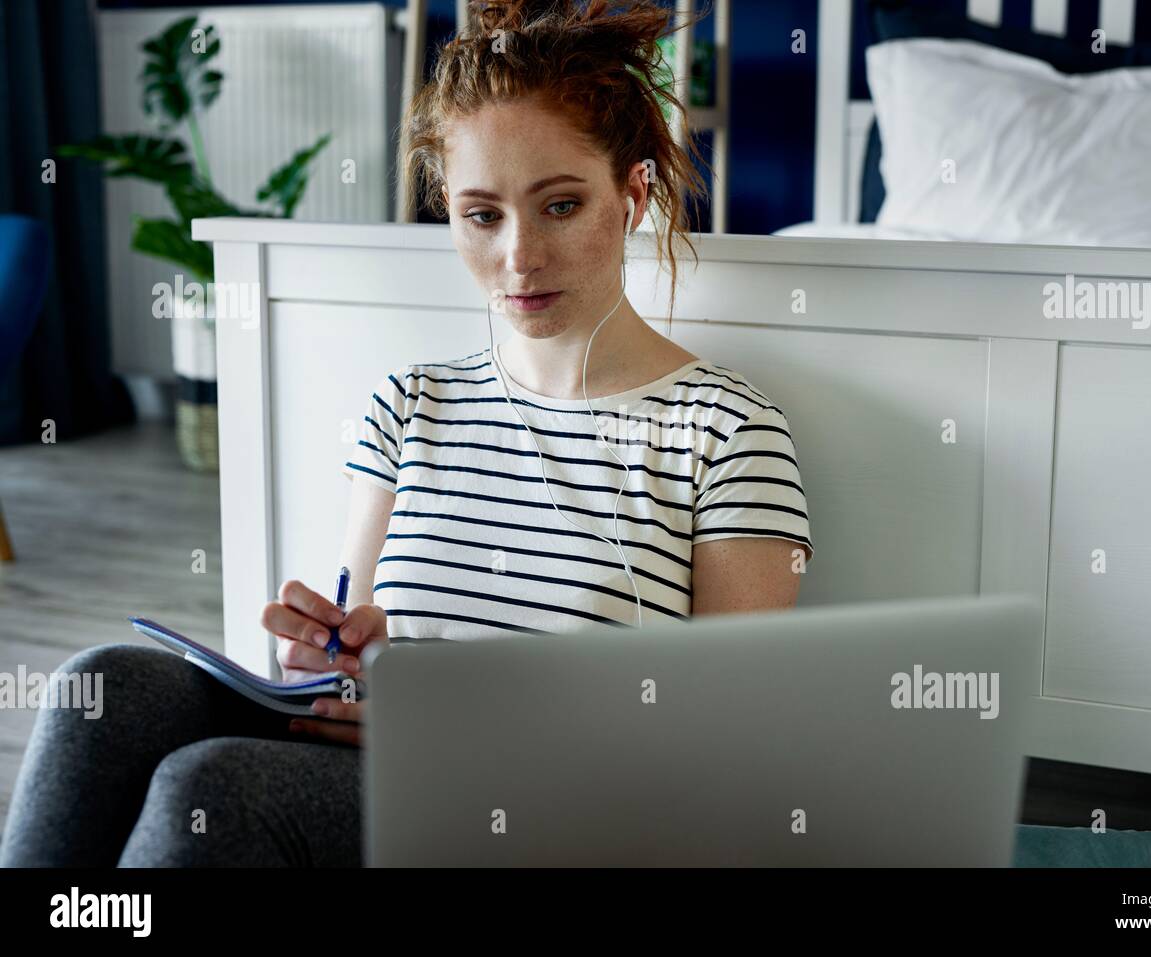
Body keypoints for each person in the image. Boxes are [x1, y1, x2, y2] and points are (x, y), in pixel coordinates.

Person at [0, 0, 813, 868]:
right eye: (481, 214)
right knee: (107, 688)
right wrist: (321, 656)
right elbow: (362, 637)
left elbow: (727, 743)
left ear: (634, 192)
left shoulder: (726, 430)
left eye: (561, 205)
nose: (518, 256)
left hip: (544, 811)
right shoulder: (411, 402)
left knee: (213, 785)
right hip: (374, 768)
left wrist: (457, 726)